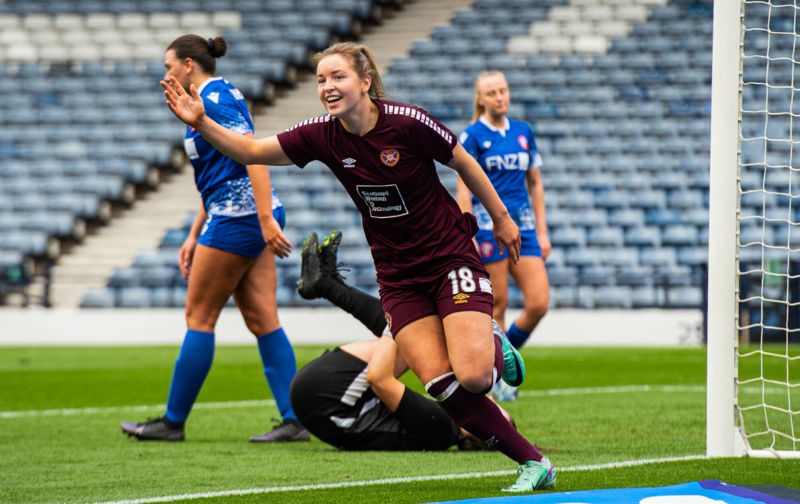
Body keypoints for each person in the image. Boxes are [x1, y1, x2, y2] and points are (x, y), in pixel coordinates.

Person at [160, 41, 555, 491]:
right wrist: (202, 123)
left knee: (474, 377)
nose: (327, 86)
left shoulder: (407, 121)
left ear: (365, 82)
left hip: (449, 256)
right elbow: (251, 152)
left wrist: (501, 218)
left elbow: (462, 161)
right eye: (321, 80)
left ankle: (490, 335)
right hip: (398, 275)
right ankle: (533, 463)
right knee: (442, 384)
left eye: (338, 77)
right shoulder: (321, 135)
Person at [121, 35, 308, 443]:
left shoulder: (214, 99)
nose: (166, 74)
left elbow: (253, 154)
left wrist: (262, 219)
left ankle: (172, 422)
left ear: (189, 64)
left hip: (237, 218)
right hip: (237, 214)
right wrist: (193, 233)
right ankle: (295, 420)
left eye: (169, 66)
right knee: (263, 319)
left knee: (199, 318)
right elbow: (219, 174)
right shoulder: (216, 96)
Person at [292, 230, 520, 452]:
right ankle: (326, 285)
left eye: (495, 413)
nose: (489, 400)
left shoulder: (443, 427)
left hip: (325, 399)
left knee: (417, 334)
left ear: (479, 433)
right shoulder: (445, 427)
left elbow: (379, 378)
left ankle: (327, 286)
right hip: (322, 399)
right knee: (418, 334)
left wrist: (405, 321)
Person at [456, 71, 551, 401]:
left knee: (538, 302)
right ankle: (496, 377)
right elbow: (464, 189)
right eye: (492, 93)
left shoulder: (524, 132)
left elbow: (535, 184)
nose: (500, 97)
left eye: (503, 91)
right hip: (488, 228)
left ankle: (504, 363)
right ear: (480, 98)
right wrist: (467, 230)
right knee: (498, 304)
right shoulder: (471, 137)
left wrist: (542, 230)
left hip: (523, 227)